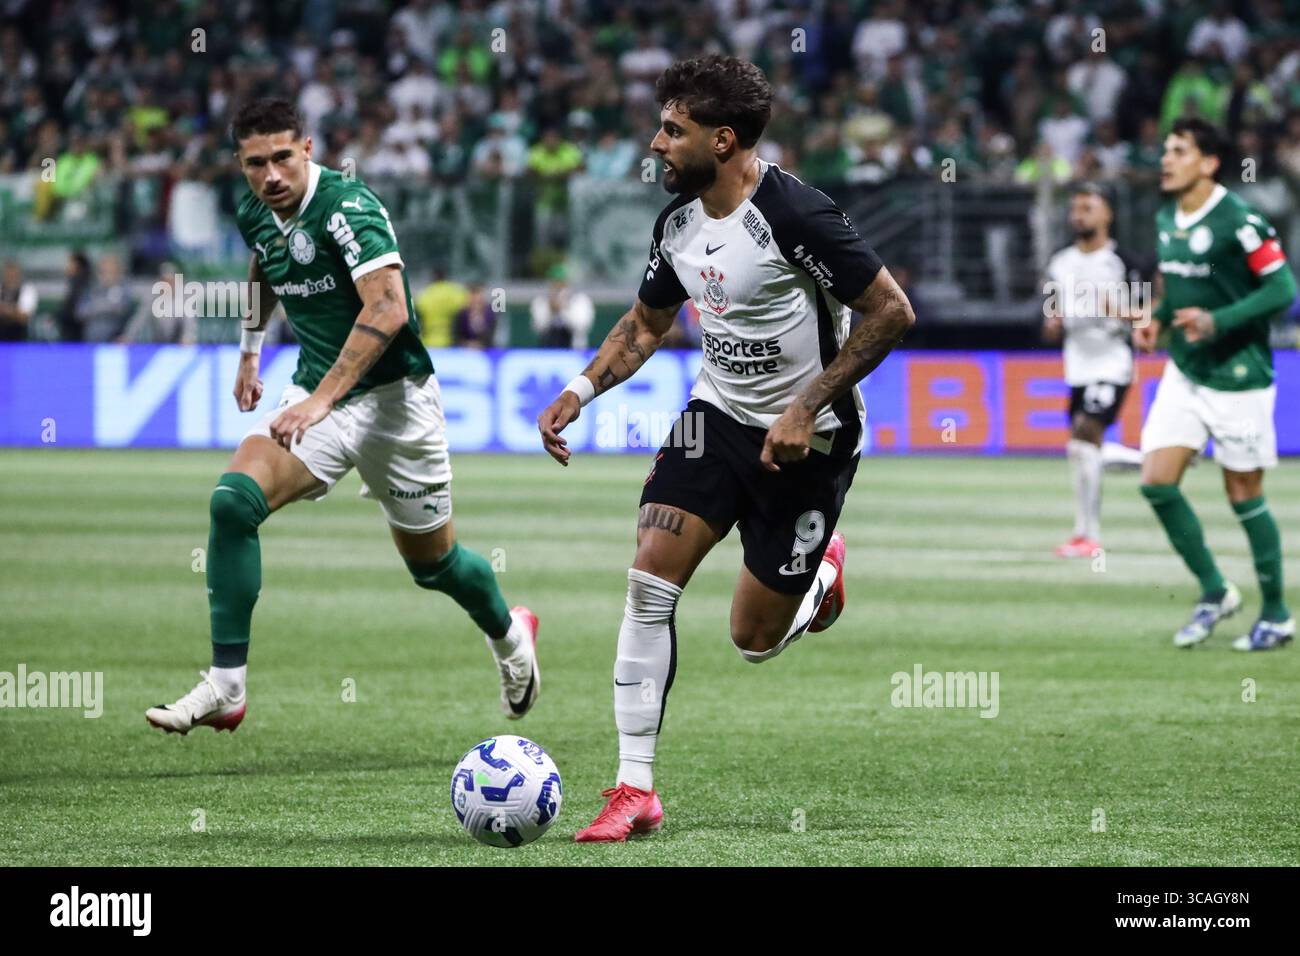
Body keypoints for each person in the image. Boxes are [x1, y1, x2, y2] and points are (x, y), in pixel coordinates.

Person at [536, 56, 914, 841]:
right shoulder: (676, 224)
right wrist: (579, 389)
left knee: (753, 640)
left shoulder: (796, 215)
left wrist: (805, 406)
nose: (657, 144)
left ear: (725, 138)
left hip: (809, 443)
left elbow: (890, 312)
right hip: (714, 421)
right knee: (649, 577)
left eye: (673, 131)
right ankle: (634, 788)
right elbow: (645, 326)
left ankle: (821, 575)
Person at [146, 99, 539, 736]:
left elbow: (387, 309)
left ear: (307, 148)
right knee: (231, 503)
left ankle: (511, 634)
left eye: (281, 157)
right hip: (315, 392)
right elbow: (264, 266)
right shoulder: (255, 208)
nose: (270, 175)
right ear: (241, 165)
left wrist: (322, 400)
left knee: (432, 566)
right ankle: (227, 685)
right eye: (255, 164)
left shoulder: (348, 207)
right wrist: (250, 350)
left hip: (395, 405)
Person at [1135, 118, 1297, 651]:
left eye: (1178, 151)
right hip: (1186, 370)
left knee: (1242, 493)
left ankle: (1275, 613)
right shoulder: (1165, 216)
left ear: (1208, 163)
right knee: (1156, 481)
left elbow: (1282, 288)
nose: (1166, 159)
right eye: (1165, 150)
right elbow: (1180, 289)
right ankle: (1215, 590)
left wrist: (1218, 321)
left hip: (1239, 376)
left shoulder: (1240, 220)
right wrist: (1158, 317)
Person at [1041, 182, 1145, 558]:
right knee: (1081, 447)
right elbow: (1050, 315)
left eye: (1087, 207)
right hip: (1077, 366)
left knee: (1085, 434)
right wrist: (1051, 323)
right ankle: (1149, 462)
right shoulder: (1060, 262)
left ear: (1107, 214)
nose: (1078, 215)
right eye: (1075, 208)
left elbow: (1149, 314)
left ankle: (1089, 535)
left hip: (1113, 362)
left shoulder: (1125, 262)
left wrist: (1119, 310)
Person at [0, 260, 38, 341]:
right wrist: (14, 311)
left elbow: (24, 317)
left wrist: (6, 311)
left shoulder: (27, 289)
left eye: (13, 273)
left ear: (19, 274)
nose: (11, 276)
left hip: (19, 336)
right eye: (8, 273)